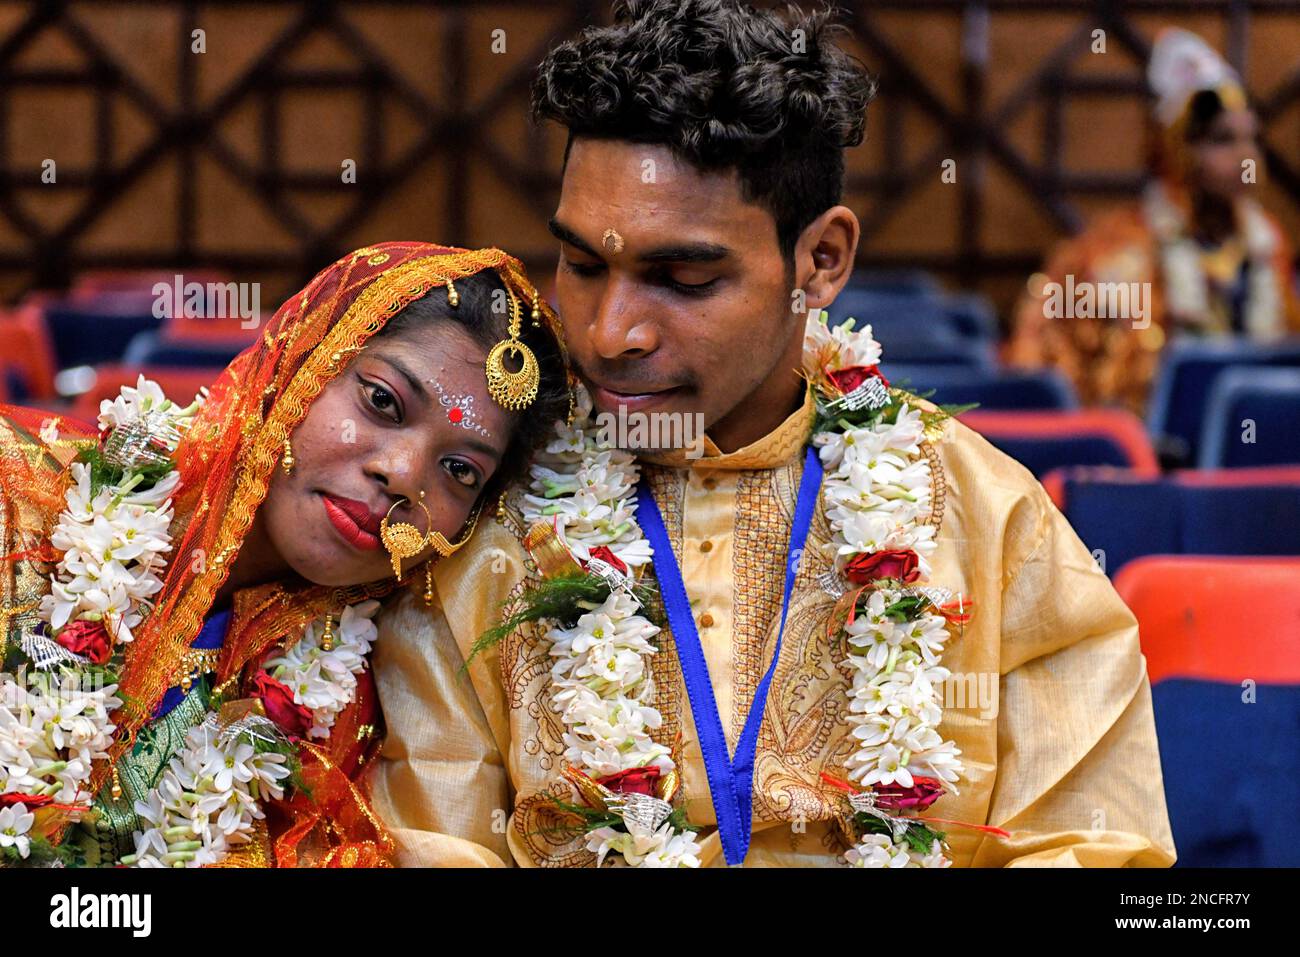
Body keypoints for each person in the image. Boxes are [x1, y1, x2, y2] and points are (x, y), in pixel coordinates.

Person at [371, 0, 1177, 867]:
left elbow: (1097, 850)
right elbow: (429, 844)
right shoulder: (482, 525)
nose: (610, 333)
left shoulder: (990, 523)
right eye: (583, 264)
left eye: (681, 277)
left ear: (820, 261)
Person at [0, 241, 567, 867]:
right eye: (382, 401)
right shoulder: (22, 504)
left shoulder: (345, 709)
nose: (404, 475)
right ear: (301, 361)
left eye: (459, 468)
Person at [1007, 27, 1300, 415]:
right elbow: (1047, 373)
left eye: (1252, 139)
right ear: (1178, 150)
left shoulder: (1269, 244)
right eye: (1223, 140)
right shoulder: (1112, 253)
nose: (1247, 158)